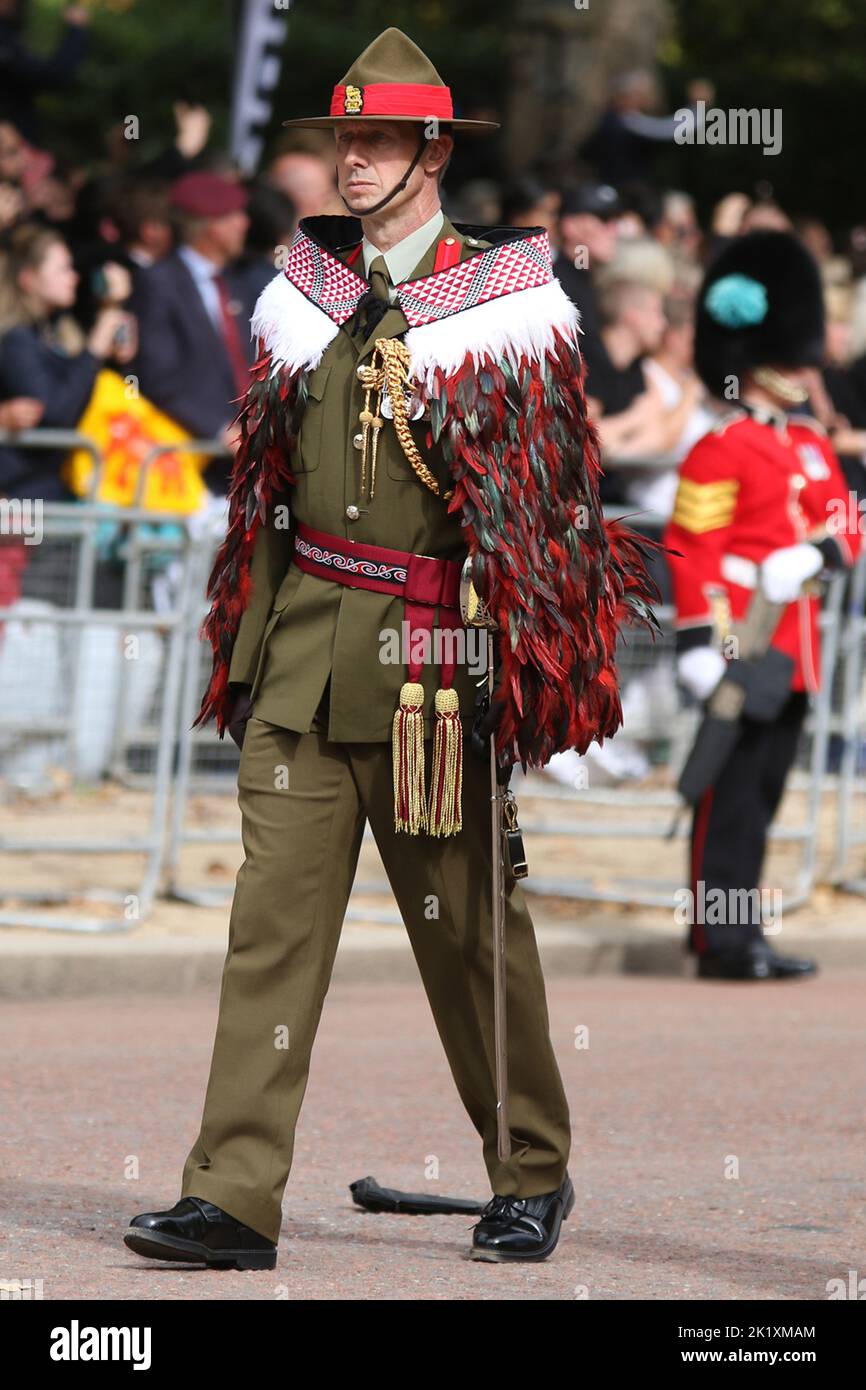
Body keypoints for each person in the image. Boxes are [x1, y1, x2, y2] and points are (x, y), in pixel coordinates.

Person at [123, 27, 655, 1271]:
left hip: (436, 674)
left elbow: (549, 512)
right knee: (268, 938)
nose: (348, 160)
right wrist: (246, 653)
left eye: (372, 140)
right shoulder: (304, 295)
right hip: (302, 659)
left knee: (469, 937)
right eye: (337, 139)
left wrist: (522, 673)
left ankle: (529, 1171)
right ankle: (233, 1196)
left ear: (428, 150)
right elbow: (265, 498)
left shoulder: (507, 303)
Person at [665, 231, 860, 980]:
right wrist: (699, 648)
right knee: (731, 796)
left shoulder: (809, 443)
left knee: (766, 792)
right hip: (742, 640)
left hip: (796, 645)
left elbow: (848, 522)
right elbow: (692, 547)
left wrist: (814, 554)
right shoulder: (721, 447)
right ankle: (722, 940)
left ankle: (744, 930)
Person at [129, 171, 256, 495]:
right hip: (190, 464)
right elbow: (159, 377)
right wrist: (218, 429)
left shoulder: (237, 284)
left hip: (246, 461)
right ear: (210, 226)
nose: (245, 223)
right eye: (234, 215)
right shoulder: (158, 283)